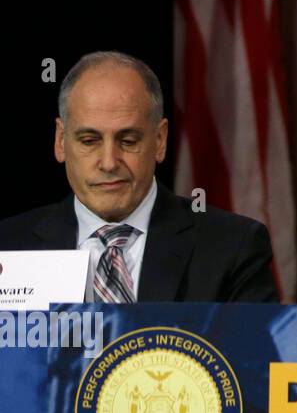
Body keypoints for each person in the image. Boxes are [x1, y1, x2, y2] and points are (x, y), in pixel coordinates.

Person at [0, 51, 280, 302]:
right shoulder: (7, 247)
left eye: (129, 140)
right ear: (61, 141)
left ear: (159, 140)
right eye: (89, 140)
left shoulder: (233, 249)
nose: (109, 162)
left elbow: (250, 358)